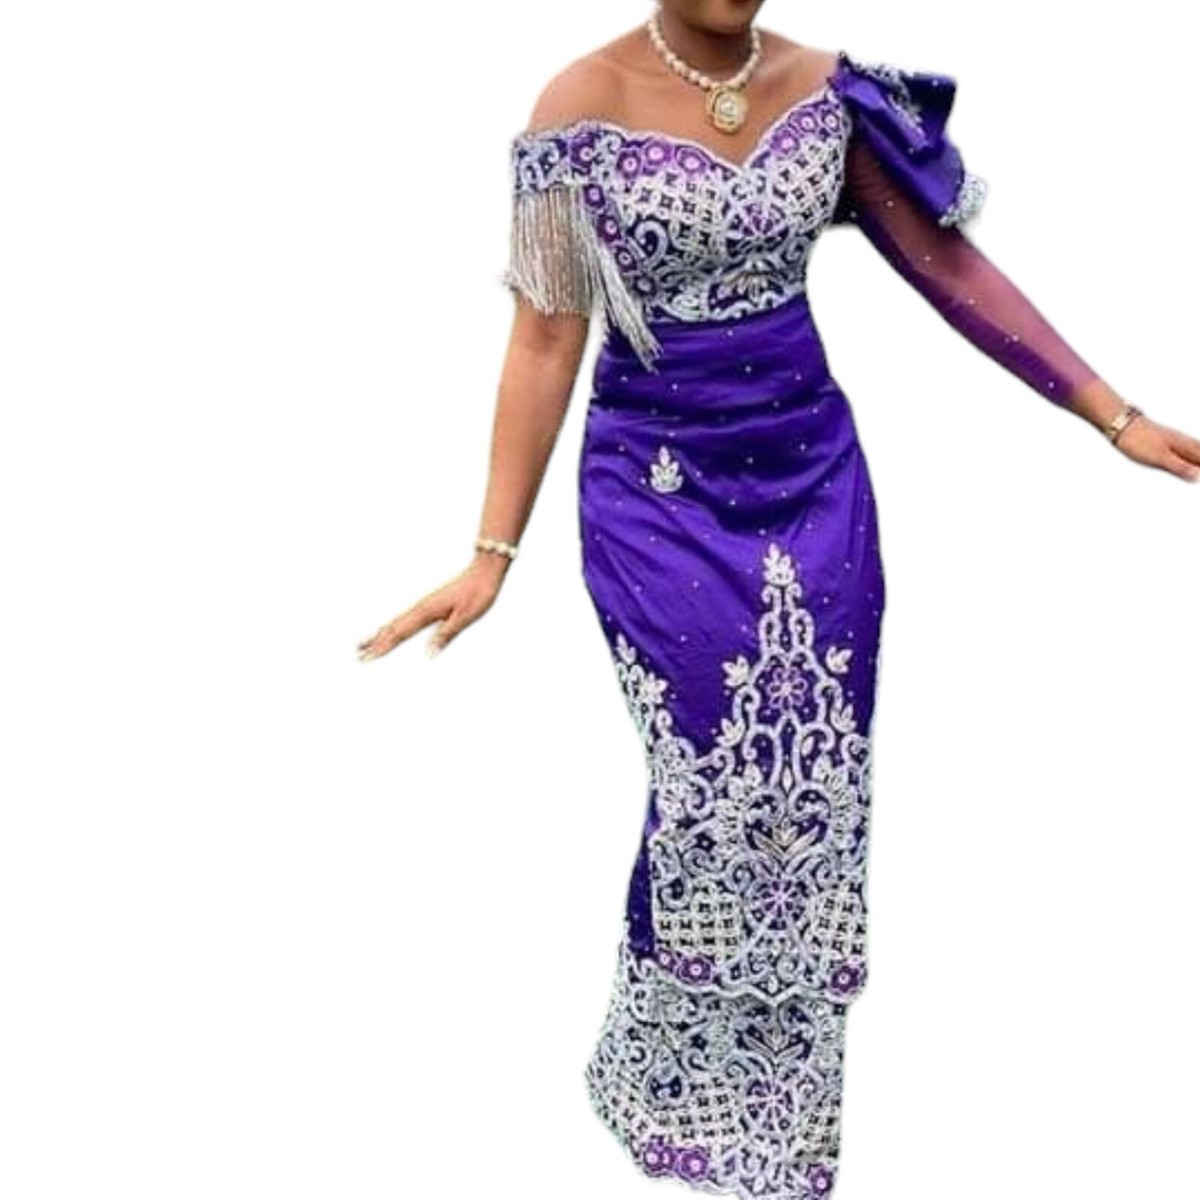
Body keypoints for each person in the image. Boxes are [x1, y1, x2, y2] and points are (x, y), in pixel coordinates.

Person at [356, 4, 1200, 1197]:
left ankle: (781, 1132)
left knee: (817, 798)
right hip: (657, 493)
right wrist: (492, 551)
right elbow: (546, 340)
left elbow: (946, 265)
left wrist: (1111, 414)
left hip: (815, 486)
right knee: (710, 790)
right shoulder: (576, 109)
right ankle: (666, 1077)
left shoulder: (831, 92)